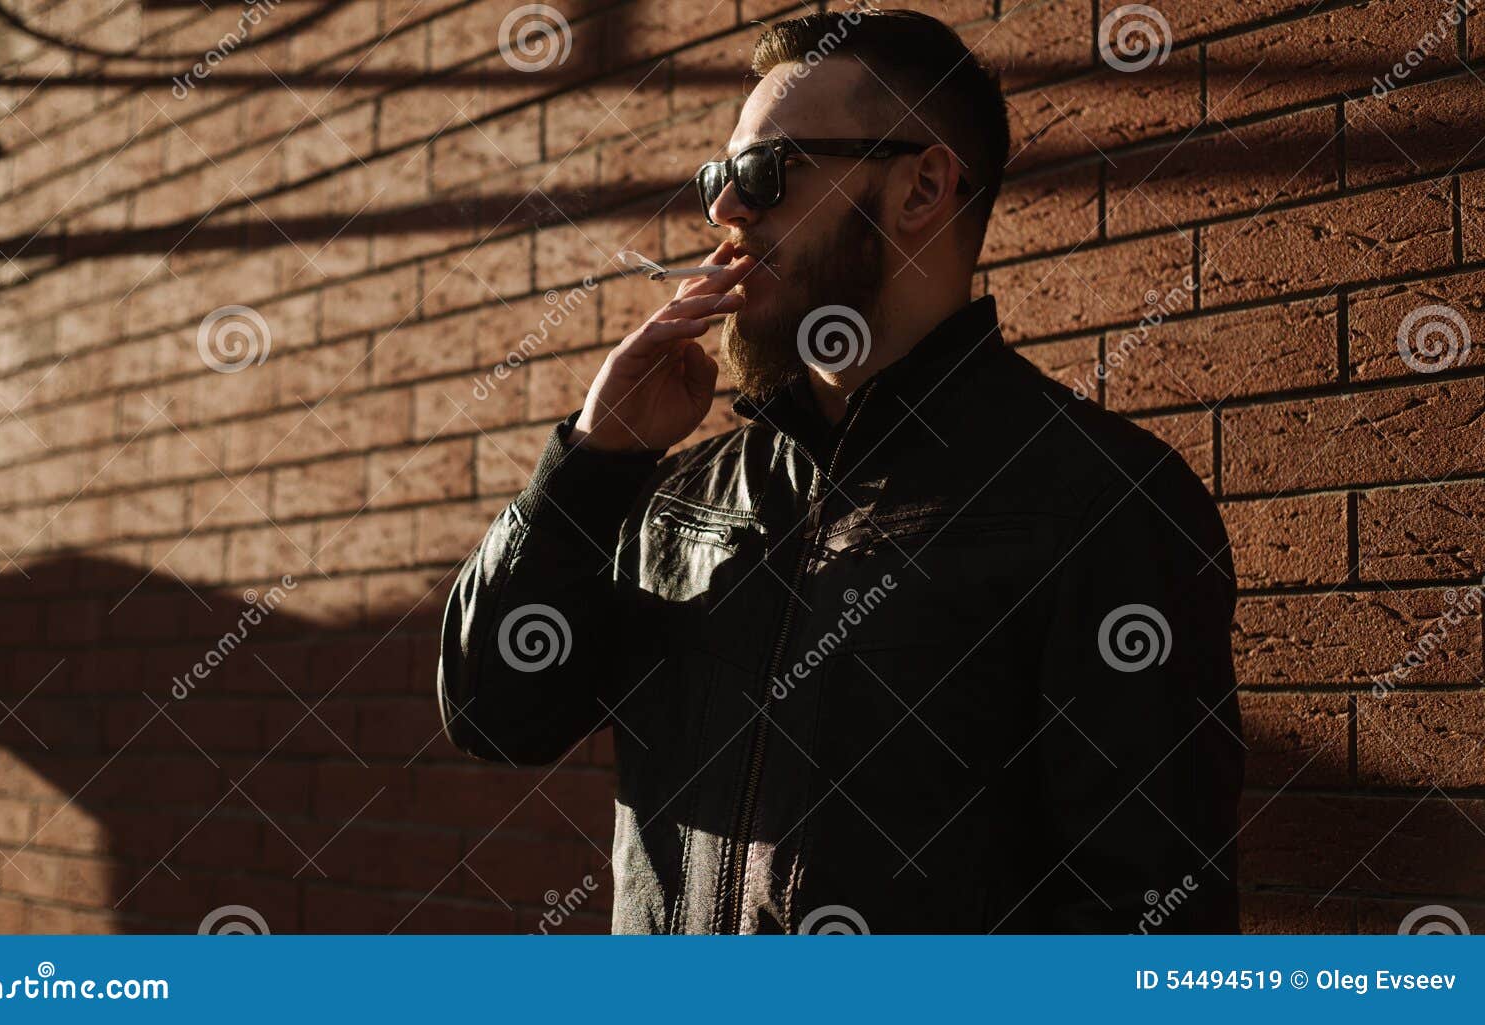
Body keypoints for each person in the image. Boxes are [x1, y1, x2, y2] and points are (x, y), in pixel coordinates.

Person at [439, 9, 1243, 934]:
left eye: (762, 172)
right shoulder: (676, 500)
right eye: (716, 180)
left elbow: (1149, 916)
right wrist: (592, 460)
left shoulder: (1100, 503)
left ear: (922, 187)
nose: (725, 212)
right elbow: (494, 713)